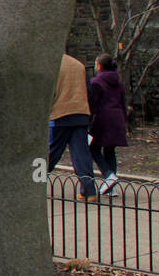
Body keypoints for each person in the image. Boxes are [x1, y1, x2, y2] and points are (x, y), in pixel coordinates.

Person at [47, 53, 98, 201]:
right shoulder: (78, 65)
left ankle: (34, 184)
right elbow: (89, 92)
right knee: (81, 154)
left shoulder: (51, 64)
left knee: (50, 153)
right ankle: (89, 191)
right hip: (81, 113)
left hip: (59, 114)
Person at [88, 53, 129, 195]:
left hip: (102, 119)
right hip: (117, 118)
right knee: (110, 151)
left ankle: (108, 175)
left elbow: (93, 105)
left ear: (99, 65)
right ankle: (111, 188)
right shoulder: (118, 81)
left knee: (93, 148)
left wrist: (89, 123)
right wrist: (124, 120)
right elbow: (123, 103)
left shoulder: (96, 82)